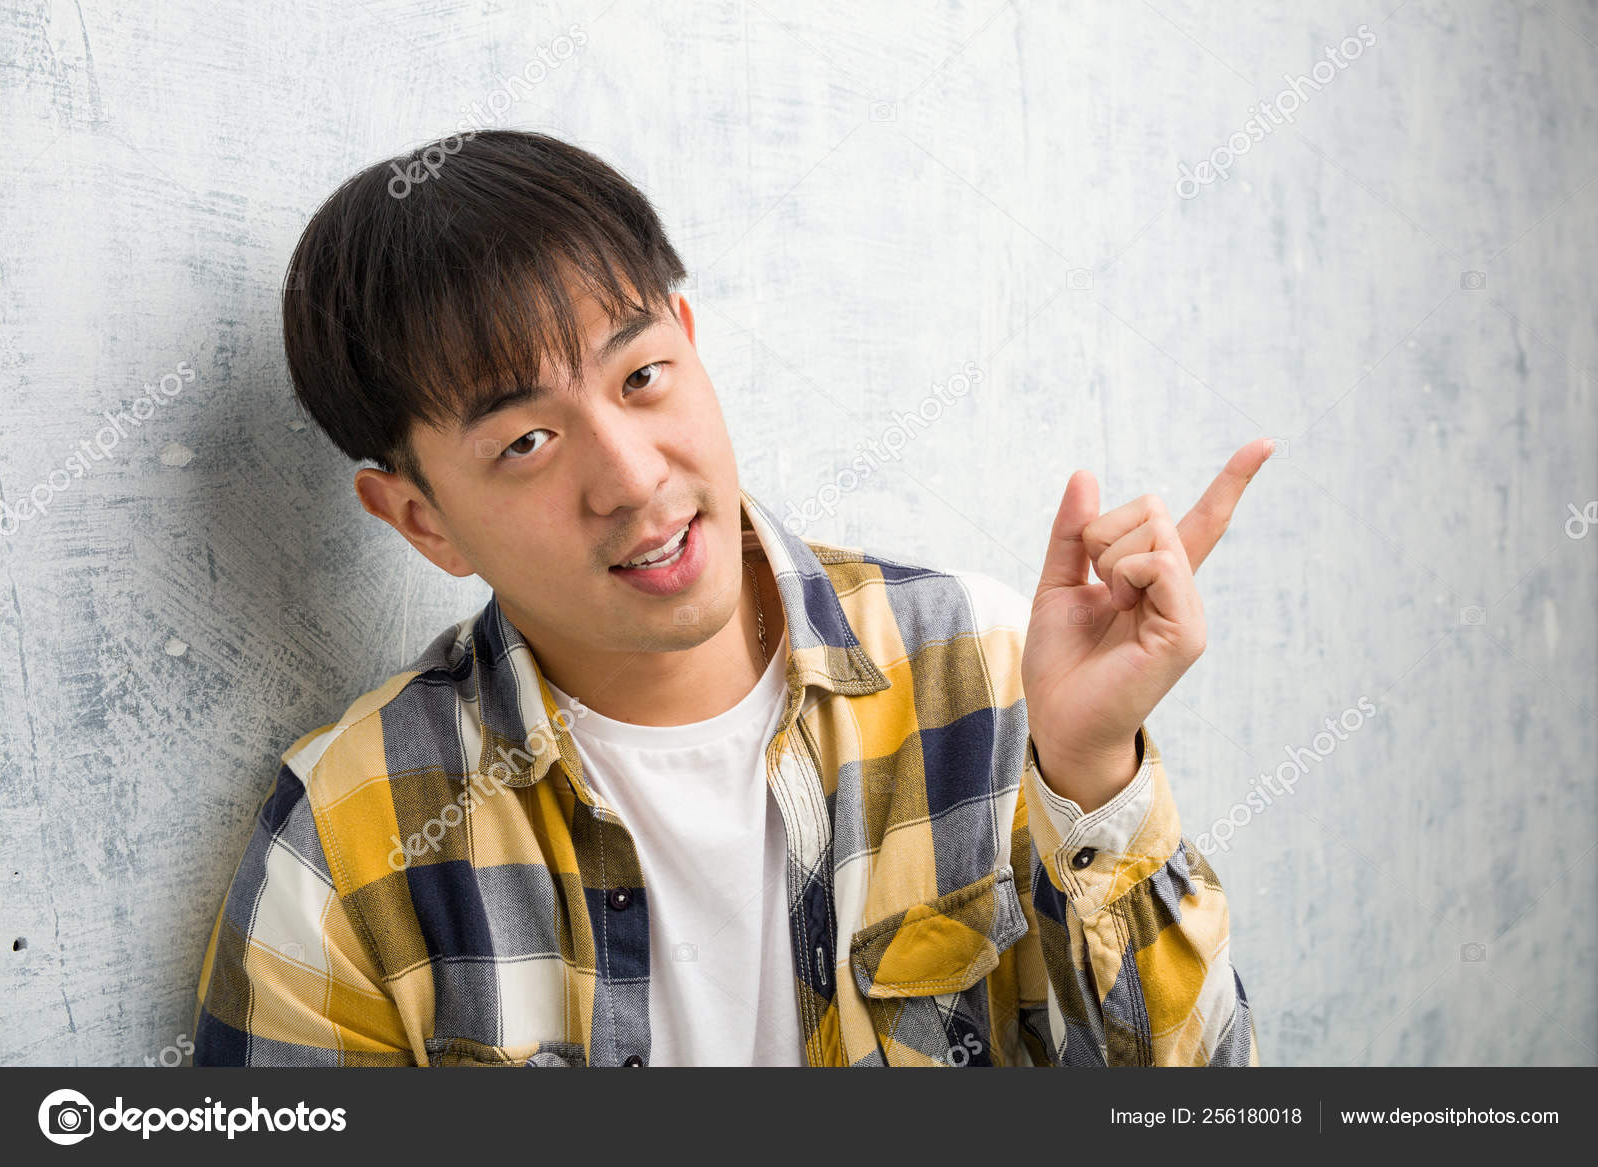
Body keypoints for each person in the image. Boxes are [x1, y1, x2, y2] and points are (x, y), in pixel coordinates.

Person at [192, 129, 1266, 1067]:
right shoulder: (349, 837)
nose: (631, 475)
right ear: (422, 520)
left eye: (641, 378)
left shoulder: (979, 670)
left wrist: (1090, 779)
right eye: (526, 441)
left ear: (692, 346)